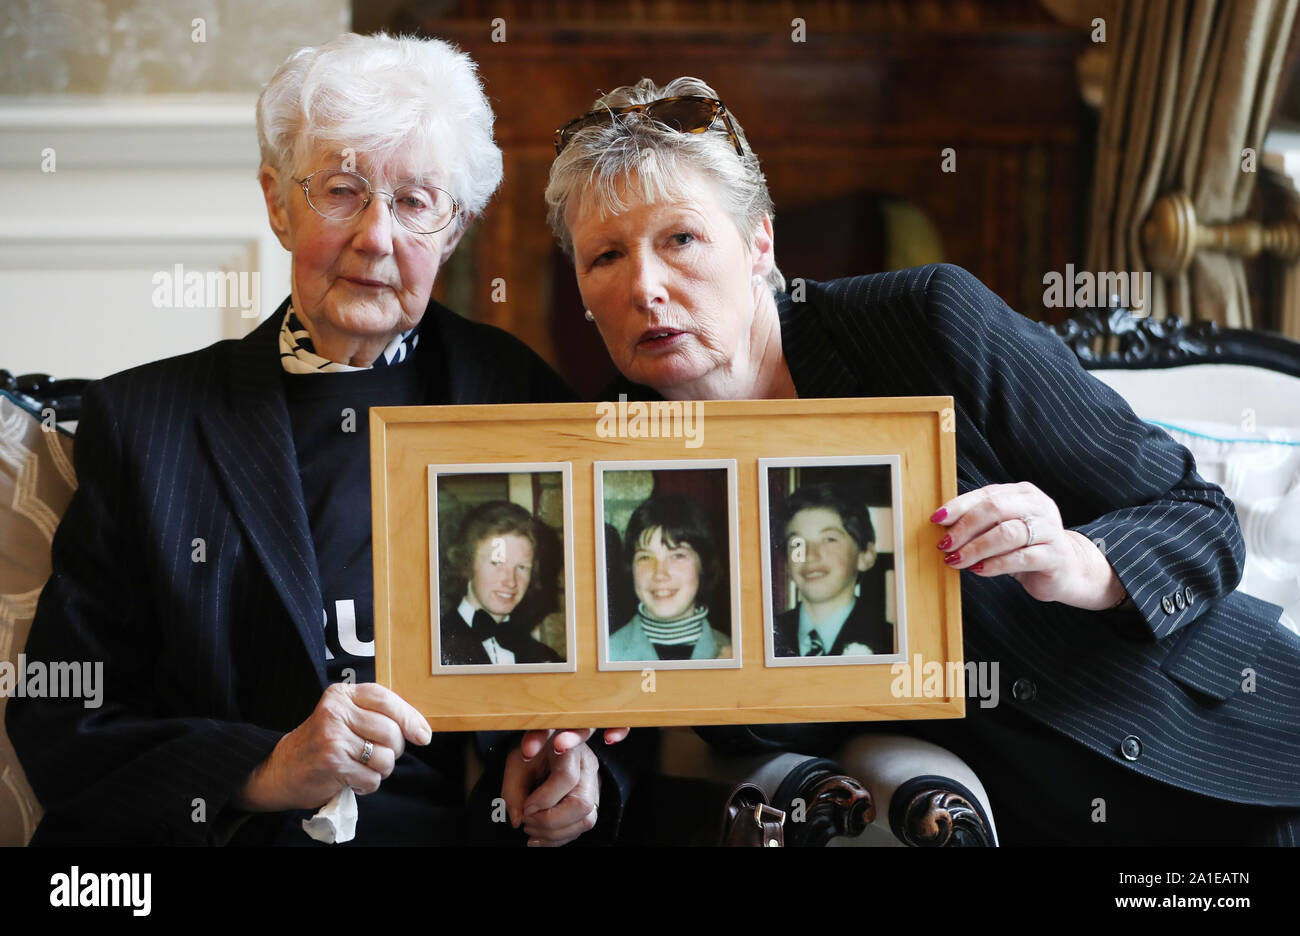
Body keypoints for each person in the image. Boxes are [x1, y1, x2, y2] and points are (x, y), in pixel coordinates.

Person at [544, 77, 1300, 844]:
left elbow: (1198, 515)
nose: (645, 286)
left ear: (759, 244)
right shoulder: (606, 464)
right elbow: (717, 728)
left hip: (1234, 749)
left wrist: (1082, 561)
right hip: (1002, 812)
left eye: (680, 239)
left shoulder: (925, 320)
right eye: (605, 255)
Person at [6, 33, 641, 847]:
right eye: (342, 190)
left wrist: (581, 770)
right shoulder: (149, 423)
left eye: (416, 202)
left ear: (454, 230)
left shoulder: (523, 398)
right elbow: (65, 715)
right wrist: (267, 769)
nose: (377, 236)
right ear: (278, 204)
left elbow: (616, 678)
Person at [609, 494, 731, 661]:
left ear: (703, 564)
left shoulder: (735, 653)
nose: (660, 573)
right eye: (645, 557)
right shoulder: (607, 655)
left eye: (677, 555)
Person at [775, 484, 892, 658]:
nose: (810, 555)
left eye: (829, 539)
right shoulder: (763, 637)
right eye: (797, 543)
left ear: (865, 555)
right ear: (787, 564)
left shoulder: (892, 642)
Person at [440, 500, 562, 665]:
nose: (510, 582)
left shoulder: (543, 657)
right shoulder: (435, 643)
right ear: (467, 564)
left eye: (521, 567)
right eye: (496, 563)